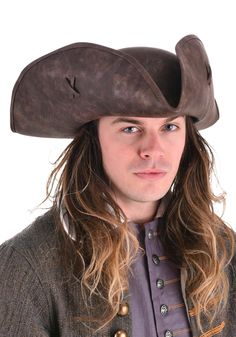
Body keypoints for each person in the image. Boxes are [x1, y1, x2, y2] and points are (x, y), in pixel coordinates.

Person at [0, 34, 235, 337]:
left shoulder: (222, 249)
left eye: (170, 127)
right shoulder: (25, 266)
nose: (153, 148)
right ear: (93, 139)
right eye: (130, 128)